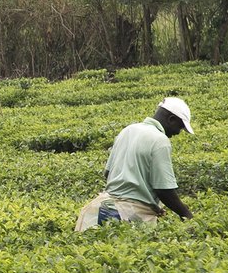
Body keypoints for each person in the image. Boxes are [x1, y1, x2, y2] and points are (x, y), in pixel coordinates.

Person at [76, 97, 195, 231]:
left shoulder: (128, 130)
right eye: (179, 127)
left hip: (102, 207)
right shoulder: (160, 141)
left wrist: (151, 205)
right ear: (171, 119)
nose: (178, 132)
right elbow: (163, 190)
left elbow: (108, 173)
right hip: (126, 216)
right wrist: (186, 214)